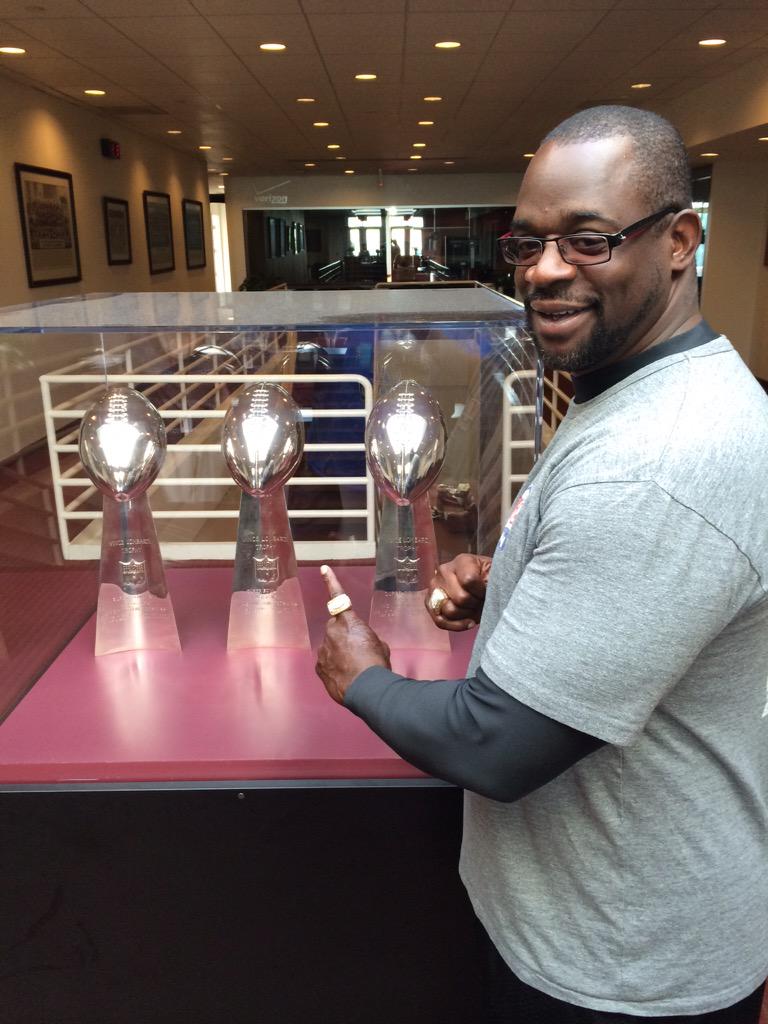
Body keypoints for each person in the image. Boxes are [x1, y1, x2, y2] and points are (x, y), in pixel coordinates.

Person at [315, 105, 768, 1022]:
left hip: (622, 967)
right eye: (527, 244)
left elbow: (496, 743)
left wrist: (362, 678)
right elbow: (650, 603)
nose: (546, 270)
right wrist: (514, 585)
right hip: (598, 923)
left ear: (681, 242)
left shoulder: (653, 462)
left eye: (589, 240)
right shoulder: (650, 390)